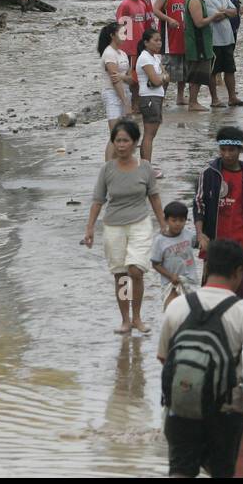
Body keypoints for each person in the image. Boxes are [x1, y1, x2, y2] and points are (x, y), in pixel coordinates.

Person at [157, 240, 243, 478]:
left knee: (180, 471)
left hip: (180, 404)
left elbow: (164, 358)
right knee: (222, 472)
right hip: (224, 409)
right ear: (238, 272)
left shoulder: (177, 306)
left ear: (206, 269)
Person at [83, 120, 165, 335]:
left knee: (135, 270)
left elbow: (154, 197)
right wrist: (90, 228)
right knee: (121, 275)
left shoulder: (145, 168)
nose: (121, 145)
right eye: (117, 141)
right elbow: (97, 200)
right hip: (113, 227)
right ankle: (125, 320)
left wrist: (164, 223)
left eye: (125, 141)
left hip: (139, 223)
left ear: (135, 142)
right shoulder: (107, 170)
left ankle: (137, 317)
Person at [193, 126, 243, 300]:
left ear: (241, 150)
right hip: (214, 245)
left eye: (231, 150)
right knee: (210, 297)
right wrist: (200, 234)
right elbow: (199, 205)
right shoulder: (209, 174)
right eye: (223, 150)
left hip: (242, 244)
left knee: (240, 298)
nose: (227, 154)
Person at [149, 201, 198, 307]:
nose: (177, 223)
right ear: (166, 220)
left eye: (181, 220)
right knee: (171, 309)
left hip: (189, 280)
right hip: (170, 283)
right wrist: (170, 276)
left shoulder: (189, 235)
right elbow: (155, 264)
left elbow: (201, 244)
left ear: (186, 221)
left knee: (190, 311)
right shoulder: (160, 241)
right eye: (174, 220)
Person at [97, 22, 135, 157]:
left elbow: (131, 79)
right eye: (121, 33)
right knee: (115, 135)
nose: (124, 36)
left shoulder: (123, 53)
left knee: (124, 133)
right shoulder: (109, 53)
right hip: (112, 95)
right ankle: (109, 168)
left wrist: (122, 77)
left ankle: (119, 164)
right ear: (113, 36)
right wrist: (125, 103)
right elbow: (114, 80)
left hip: (125, 93)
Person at [153, 0, 188, 106]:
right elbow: (155, 9)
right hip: (169, 39)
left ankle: (180, 96)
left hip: (183, 39)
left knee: (184, 71)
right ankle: (161, 97)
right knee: (167, 71)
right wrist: (168, 19)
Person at [135, 28, 170, 172]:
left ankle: (146, 166)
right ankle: (146, 167)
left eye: (160, 40)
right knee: (149, 134)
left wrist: (161, 78)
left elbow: (166, 76)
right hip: (149, 98)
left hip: (156, 97)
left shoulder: (155, 57)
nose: (159, 43)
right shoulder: (144, 58)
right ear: (146, 42)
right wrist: (162, 78)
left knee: (151, 134)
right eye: (155, 40)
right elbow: (157, 80)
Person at [209, 0, 243, 107]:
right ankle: (214, 99)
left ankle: (232, 97)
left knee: (230, 69)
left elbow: (235, 11)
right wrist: (227, 12)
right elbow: (216, 18)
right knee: (213, 71)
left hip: (228, 38)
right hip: (214, 40)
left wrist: (223, 12)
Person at [183, 0, 218, 112]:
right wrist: (214, 17)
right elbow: (199, 23)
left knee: (200, 73)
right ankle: (193, 102)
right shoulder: (195, 0)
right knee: (197, 74)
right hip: (197, 44)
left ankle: (193, 101)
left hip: (200, 43)